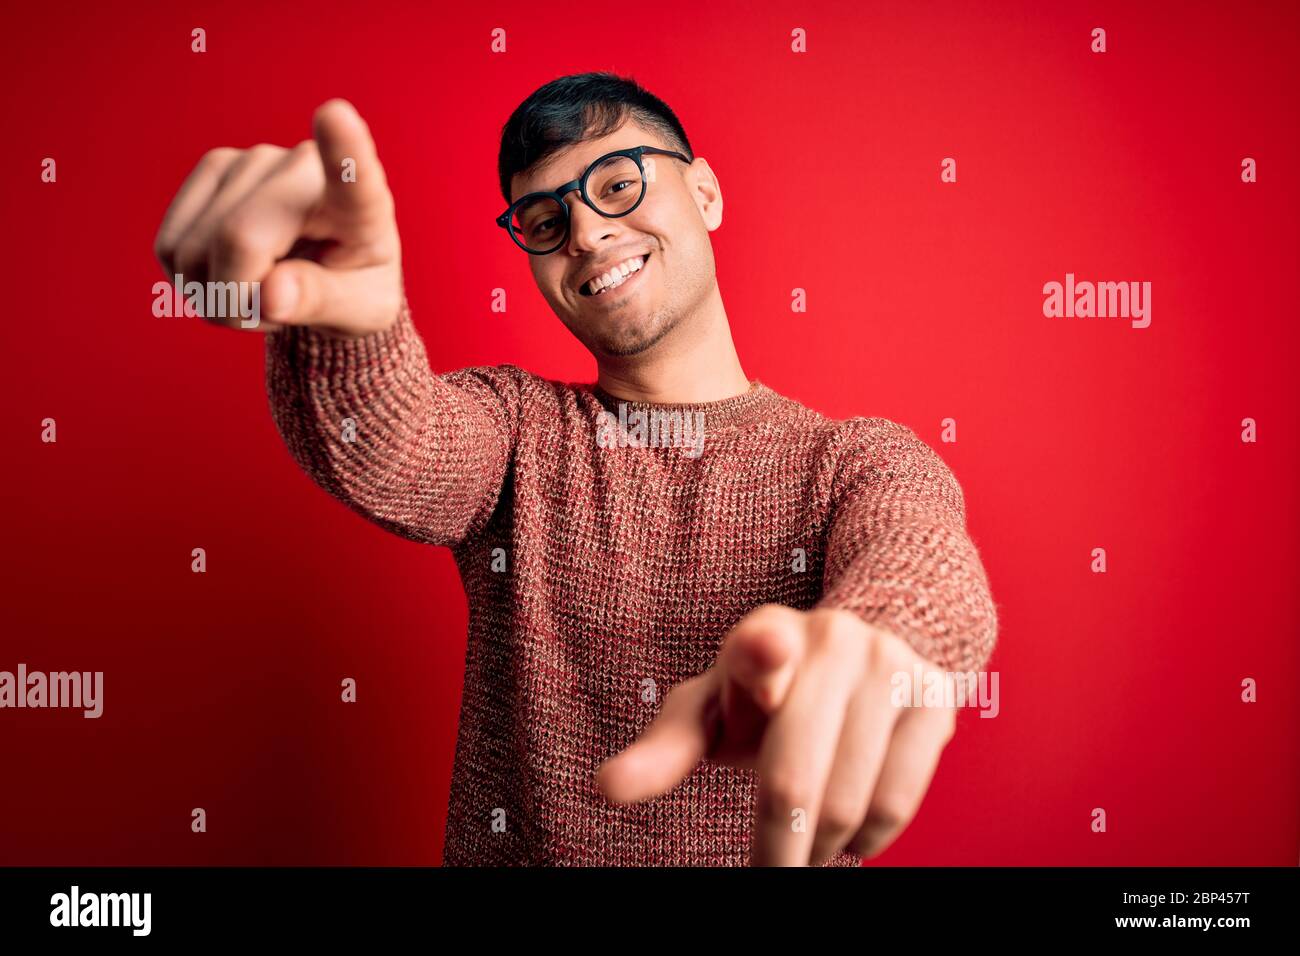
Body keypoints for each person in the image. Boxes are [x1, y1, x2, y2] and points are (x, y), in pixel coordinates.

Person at [152, 71, 999, 866]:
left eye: (619, 182)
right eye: (547, 220)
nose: (588, 232)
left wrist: (881, 637)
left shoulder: (855, 459)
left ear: (703, 192)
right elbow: (397, 443)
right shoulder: (518, 429)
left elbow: (917, 556)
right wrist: (344, 320)